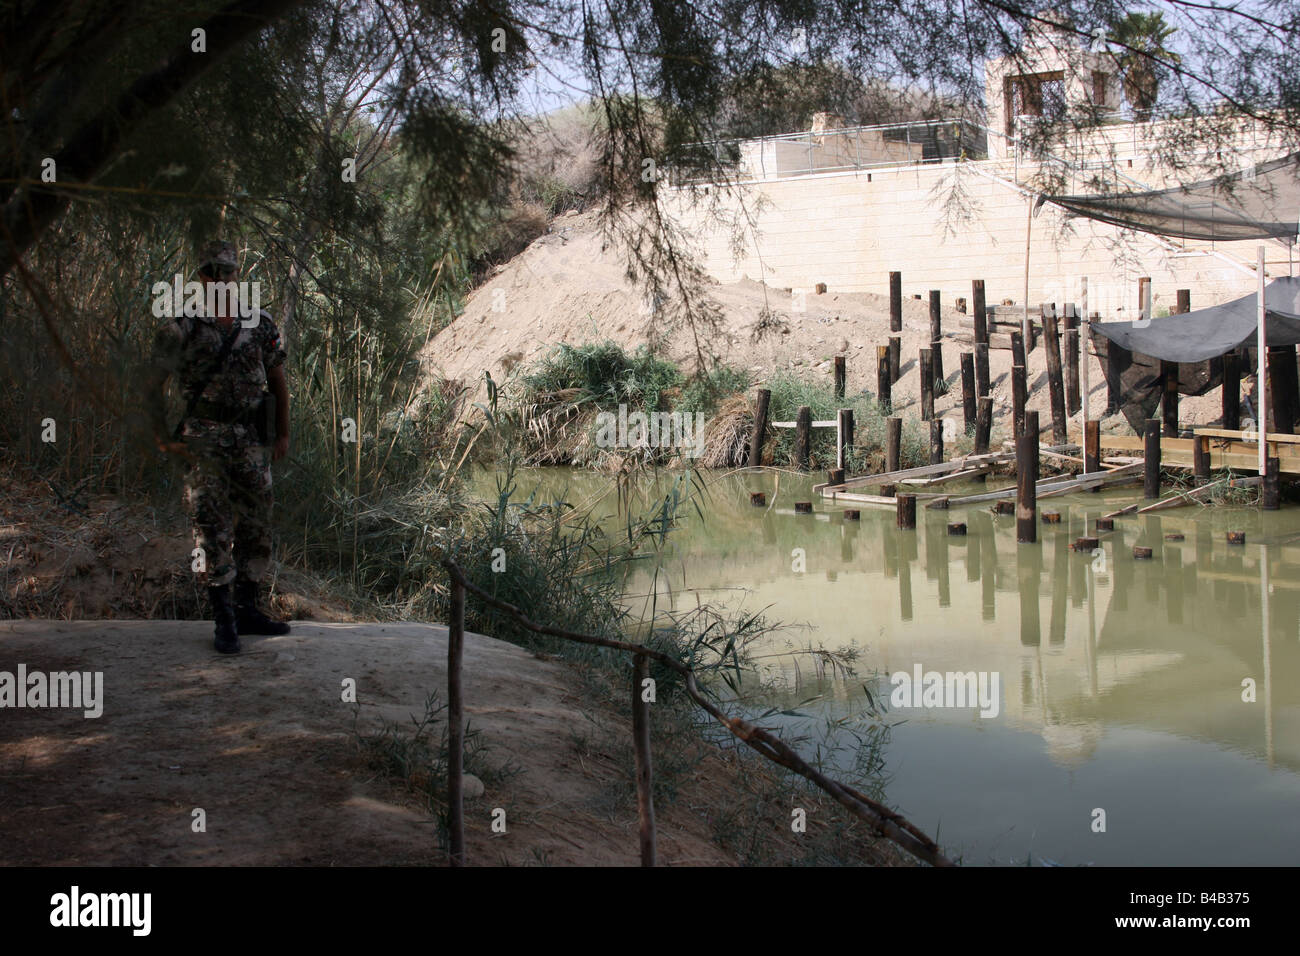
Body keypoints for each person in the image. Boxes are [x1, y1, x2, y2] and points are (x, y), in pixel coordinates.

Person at [149, 240, 292, 653]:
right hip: (204, 444)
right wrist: (160, 435)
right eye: (214, 270)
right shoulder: (182, 325)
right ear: (201, 276)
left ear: (237, 273)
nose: (222, 278)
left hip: (251, 441)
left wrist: (282, 434)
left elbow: (279, 383)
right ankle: (224, 619)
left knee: (257, 524)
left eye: (228, 270)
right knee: (212, 528)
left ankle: (248, 607)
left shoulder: (258, 322)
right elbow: (150, 383)